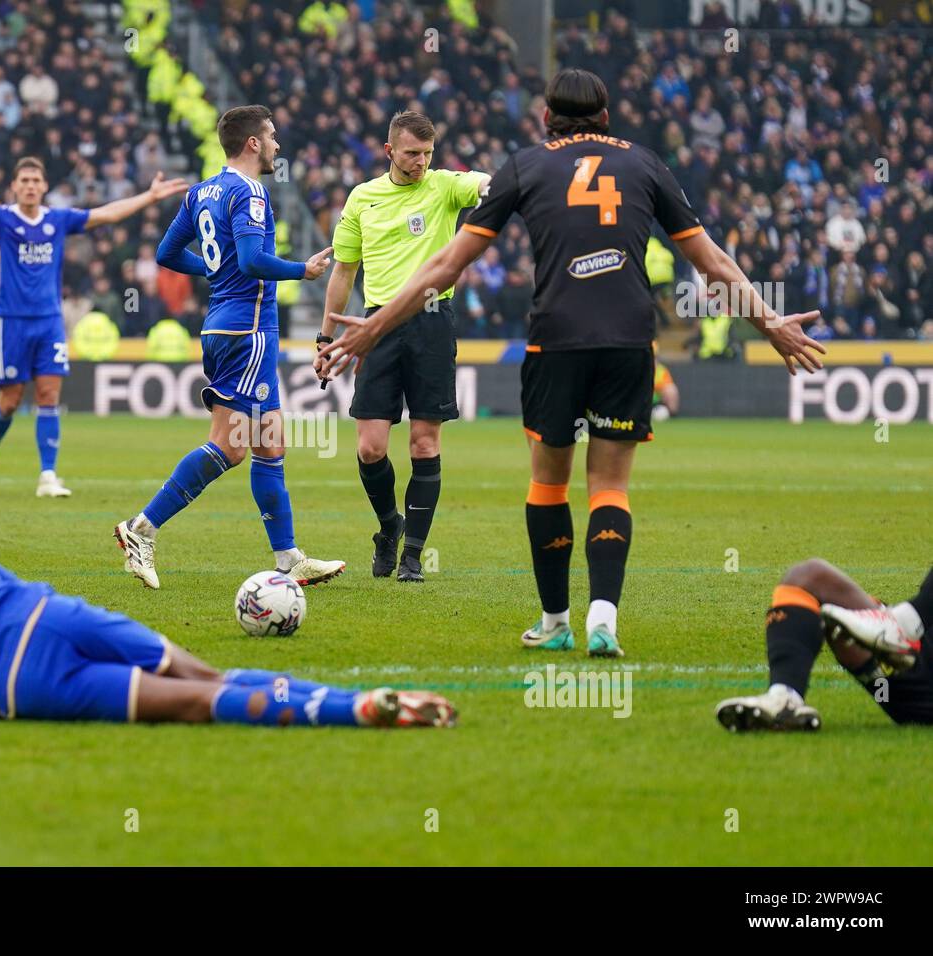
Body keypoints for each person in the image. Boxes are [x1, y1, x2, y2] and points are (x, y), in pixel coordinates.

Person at [319, 68, 825, 658]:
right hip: (630, 341)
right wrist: (770, 323)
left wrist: (373, 326)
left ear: (545, 119)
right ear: (606, 117)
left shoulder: (527, 167)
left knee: (549, 482)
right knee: (609, 485)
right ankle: (603, 618)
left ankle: (556, 619)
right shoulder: (645, 163)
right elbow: (710, 261)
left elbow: (443, 269)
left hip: (557, 338)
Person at [0, 536, 456, 728]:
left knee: (200, 706)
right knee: (206, 676)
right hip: (56, 616)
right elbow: (5, 581)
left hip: (29, 680)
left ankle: (363, 711)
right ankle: (354, 696)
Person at [113, 105, 344, 591]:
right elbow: (255, 260)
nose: (278, 145)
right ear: (253, 143)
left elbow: (166, 254)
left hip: (223, 327)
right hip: (249, 331)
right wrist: (302, 270)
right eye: (273, 136)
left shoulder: (202, 192)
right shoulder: (251, 191)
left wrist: (216, 271)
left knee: (270, 444)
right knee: (230, 446)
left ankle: (288, 559)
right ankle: (141, 529)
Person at [0, 147, 187, 500]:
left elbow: (106, 215)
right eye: (24, 180)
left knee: (49, 395)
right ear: (14, 186)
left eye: (36, 180)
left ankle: (48, 475)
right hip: (13, 322)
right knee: (8, 400)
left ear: (44, 186)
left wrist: (149, 196)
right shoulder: (1, 219)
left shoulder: (58, 220)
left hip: (50, 321)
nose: (30, 186)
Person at [317, 111, 490, 582]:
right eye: (413, 153)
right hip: (376, 324)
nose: (421, 162)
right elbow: (344, 273)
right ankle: (390, 526)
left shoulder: (443, 187)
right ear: (390, 151)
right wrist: (326, 337)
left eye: (428, 153)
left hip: (433, 321)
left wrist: (497, 185)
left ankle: (413, 554)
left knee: (424, 441)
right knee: (371, 448)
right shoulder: (362, 198)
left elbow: (480, 185)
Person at [715, 560, 931, 732]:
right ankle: (784, 699)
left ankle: (902, 625)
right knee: (809, 576)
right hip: (910, 662)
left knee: (894, 629)